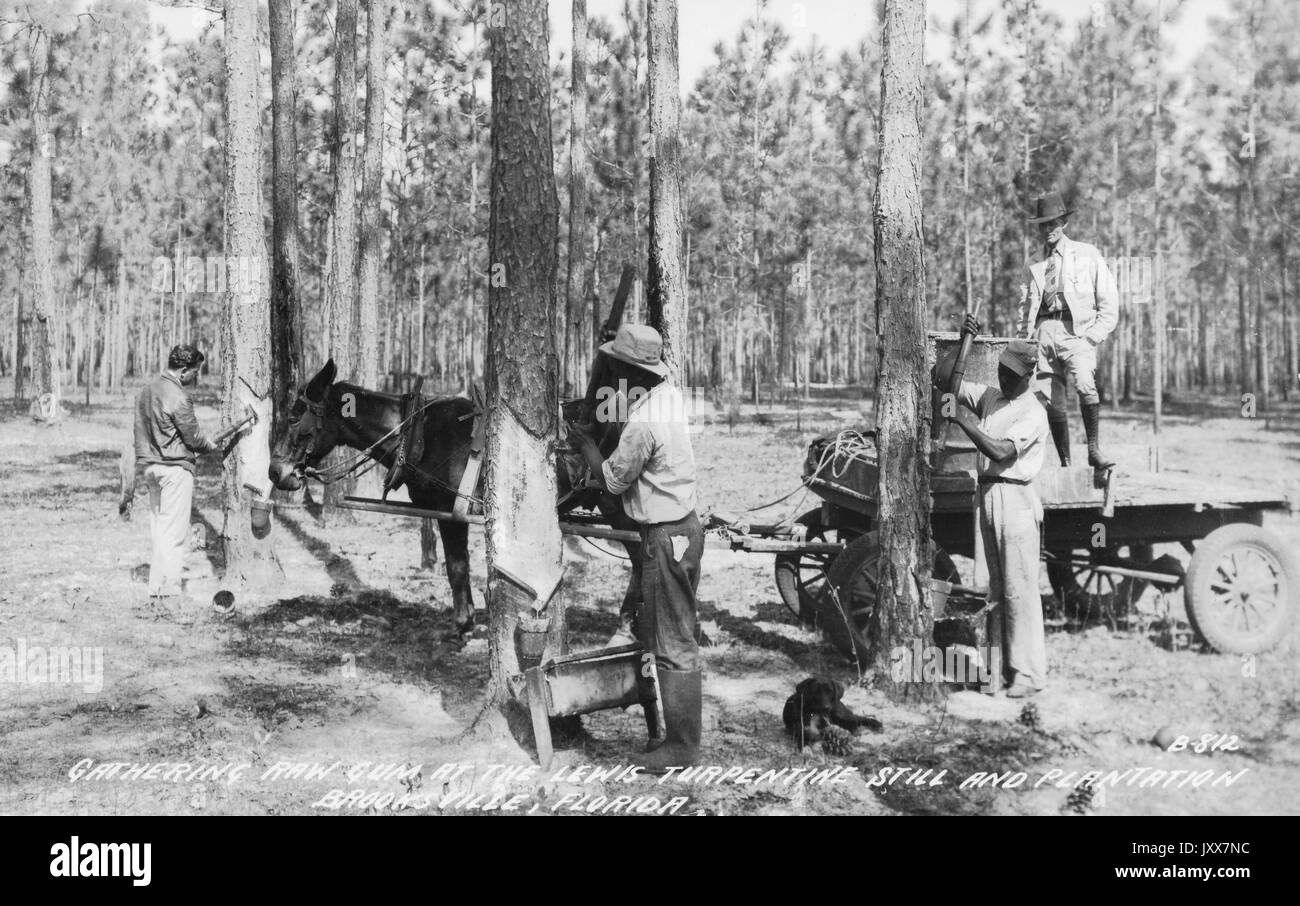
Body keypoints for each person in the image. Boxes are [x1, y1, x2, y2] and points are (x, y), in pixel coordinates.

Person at [569, 324, 704, 771]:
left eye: (620, 369)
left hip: (663, 537)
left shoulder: (644, 422)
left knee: (671, 639)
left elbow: (611, 480)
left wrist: (586, 445)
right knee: (667, 631)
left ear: (632, 372)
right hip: (684, 529)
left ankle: (682, 747)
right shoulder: (668, 398)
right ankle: (673, 736)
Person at [945, 322, 1049, 698]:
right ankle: (994, 671)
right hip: (987, 495)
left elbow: (1002, 452)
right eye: (1002, 372)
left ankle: (1027, 673)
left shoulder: (1033, 412)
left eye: (1013, 376)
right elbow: (946, 380)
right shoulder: (992, 397)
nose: (1005, 380)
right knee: (992, 590)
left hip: (1017, 499)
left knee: (1019, 589)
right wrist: (965, 342)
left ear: (1030, 376)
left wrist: (963, 421)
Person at [1016, 192, 1118, 469]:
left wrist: (1092, 337)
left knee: (1085, 384)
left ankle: (1094, 450)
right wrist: (1025, 340)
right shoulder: (1034, 262)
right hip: (1043, 332)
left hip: (1077, 332)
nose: (1047, 230)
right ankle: (1065, 463)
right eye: (1043, 225)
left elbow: (1110, 302)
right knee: (1052, 400)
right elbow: (1025, 306)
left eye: (1053, 224)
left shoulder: (1087, 255)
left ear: (1064, 223)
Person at [133, 345, 218, 604]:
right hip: (174, 469)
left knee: (159, 528)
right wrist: (209, 446)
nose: (196, 377)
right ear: (183, 371)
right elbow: (192, 438)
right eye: (195, 372)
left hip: (150, 467)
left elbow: (138, 430)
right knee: (174, 531)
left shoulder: (146, 391)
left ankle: (157, 585)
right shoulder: (179, 396)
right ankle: (169, 589)